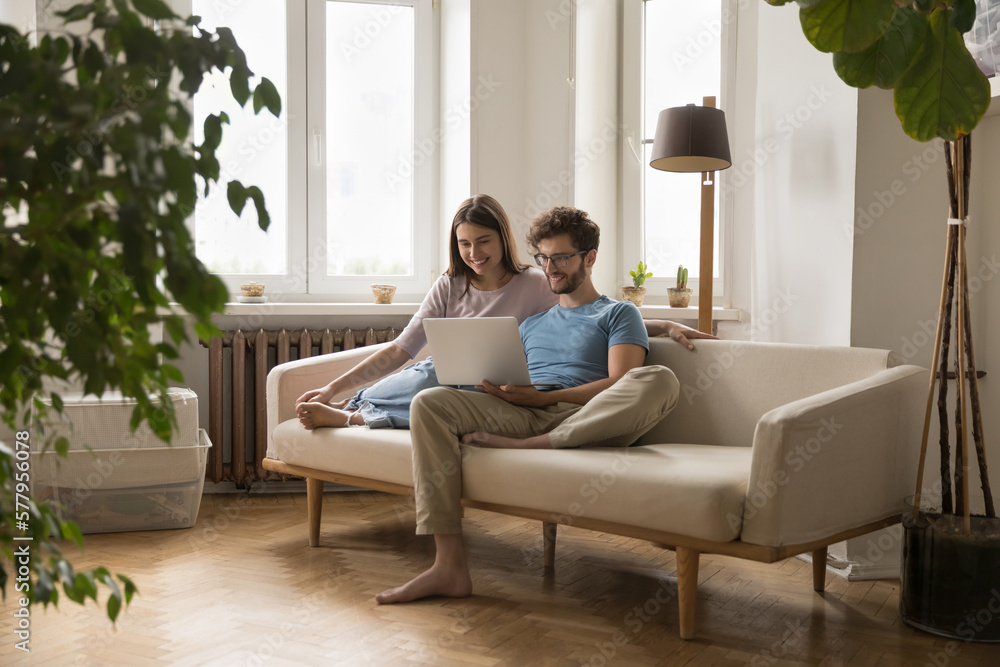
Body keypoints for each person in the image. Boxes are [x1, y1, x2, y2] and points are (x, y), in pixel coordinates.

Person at [375, 206, 680, 604]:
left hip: (586, 415)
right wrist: (496, 389)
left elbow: (619, 383)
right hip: (526, 412)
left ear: (589, 257)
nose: (551, 268)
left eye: (562, 258)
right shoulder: (531, 323)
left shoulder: (619, 313)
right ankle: (448, 566)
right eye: (545, 258)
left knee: (659, 379)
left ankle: (537, 445)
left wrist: (546, 397)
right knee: (430, 402)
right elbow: (512, 377)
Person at [295, 195, 712, 430]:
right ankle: (354, 407)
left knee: (446, 385)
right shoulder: (449, 286)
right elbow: (400, 350)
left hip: (489, 386)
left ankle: (353, 416)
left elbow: (585, 315)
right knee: (430, 373)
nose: (474, 253)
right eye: (464, 244)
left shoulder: (536, 282)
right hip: (446, 376)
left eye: (483, 241)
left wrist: (661, 324)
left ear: (503, 239)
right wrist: (331, 387)